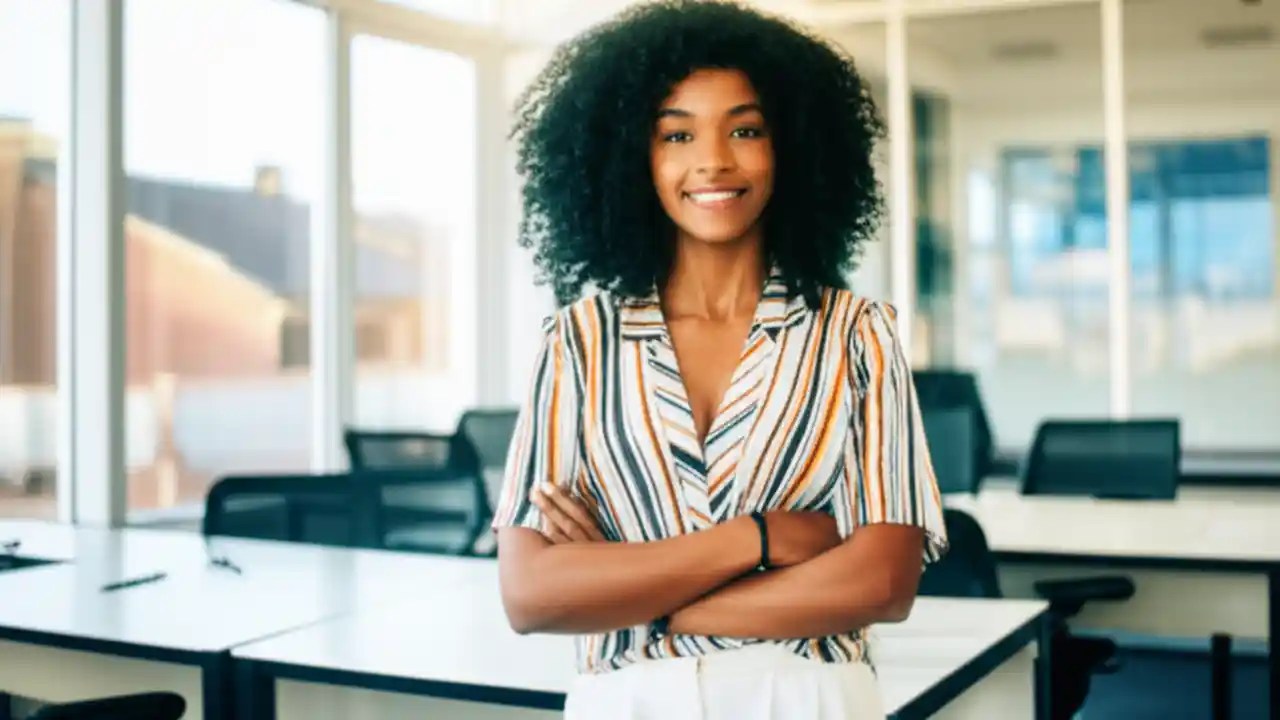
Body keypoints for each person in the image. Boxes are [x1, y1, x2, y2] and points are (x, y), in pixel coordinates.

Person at [492, 2, 947, 718]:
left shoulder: (858, 334)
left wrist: (643, 600)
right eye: (677, 134)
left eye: (745, 129)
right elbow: (530, 595)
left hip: (804, 698)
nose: (713, 161)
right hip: (630, 703)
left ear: (790, 146)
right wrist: (758, 538)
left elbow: (884, 584)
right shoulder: (576, 342)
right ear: (632, 157)